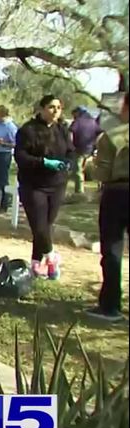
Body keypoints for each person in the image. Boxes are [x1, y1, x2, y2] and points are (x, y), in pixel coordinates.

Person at [14, 94, 74, 280]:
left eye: (59, 107)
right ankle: (51, 258)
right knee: (39, 225)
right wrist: (43, 162)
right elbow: (21, 157)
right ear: (41, 109)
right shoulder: (28, 130)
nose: (56, 111)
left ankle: (35, 263)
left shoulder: (62, 129)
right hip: (33, 185)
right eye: (51, 107)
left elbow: (71, 151)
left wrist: (69, 163)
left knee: (46, 225)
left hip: (57, 184)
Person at [85, 92, 129, 322]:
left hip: (119, 193)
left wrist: (90, 166)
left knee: (112, 249)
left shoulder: (113, 136)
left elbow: (101, 171)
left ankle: (110, 305)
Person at [69, 106, 102, 194]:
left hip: (79, 149)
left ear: (78, 112)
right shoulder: (93, 122)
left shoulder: (77, 122)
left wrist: (70, 147)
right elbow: (99, 133)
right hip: (91, 150)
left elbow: (70, 134)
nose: (73, 115)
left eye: (74, 113)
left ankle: (79, 191)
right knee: (97, 169)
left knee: (78, 171)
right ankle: (100, 188)